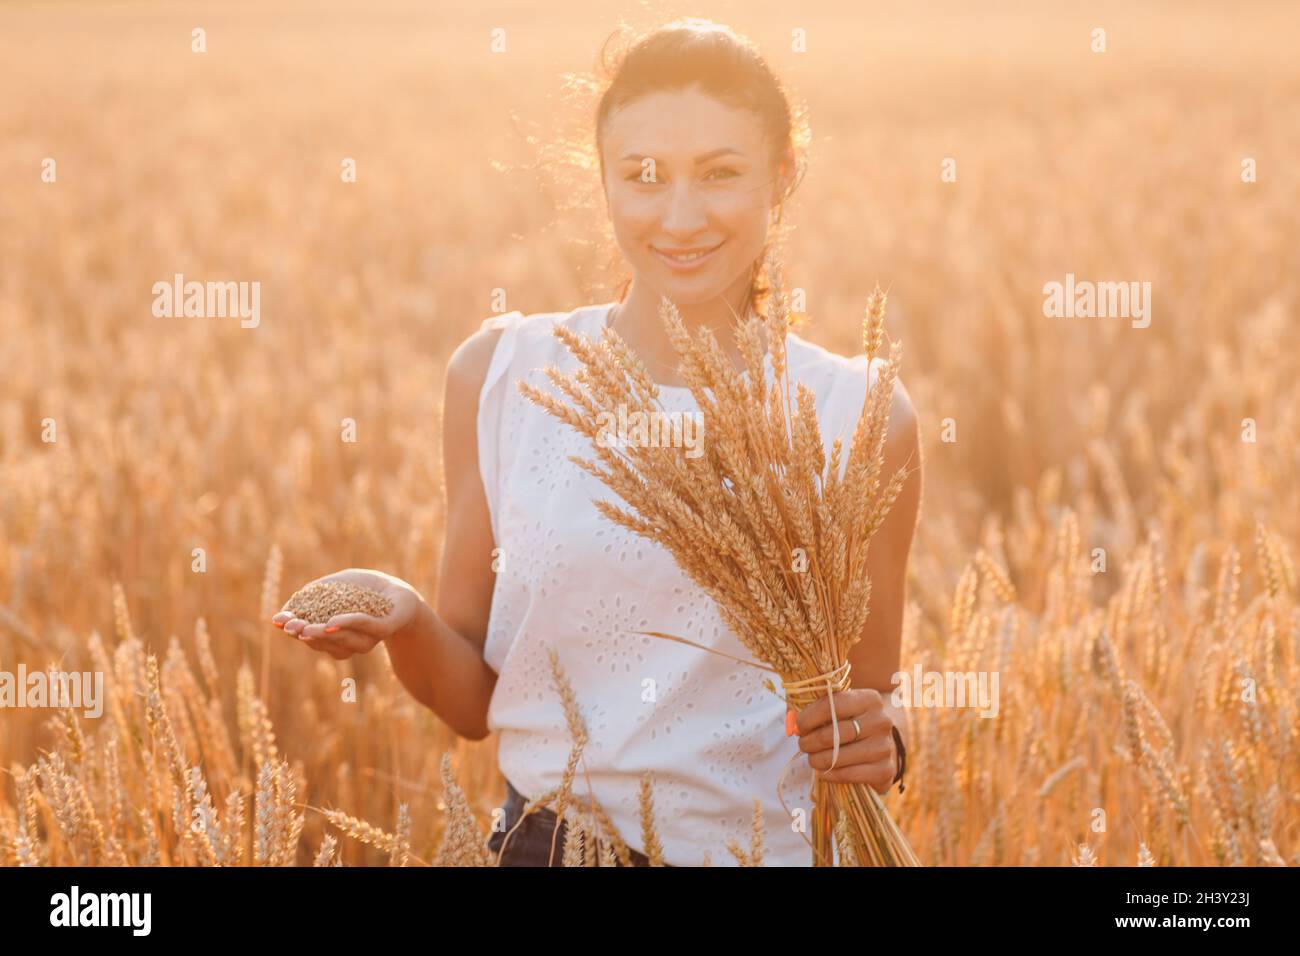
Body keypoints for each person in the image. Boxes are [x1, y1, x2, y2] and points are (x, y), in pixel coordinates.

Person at [273, 17, 922, 866]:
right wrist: (401, 613)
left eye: (721, 174)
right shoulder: (502, 376)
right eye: (644, 177)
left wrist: (894, 734)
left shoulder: (860, 415)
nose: (681, 216)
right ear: (604, 181)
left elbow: (870, 699)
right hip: (549, 850)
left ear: (782, 176)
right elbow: (472, 704)